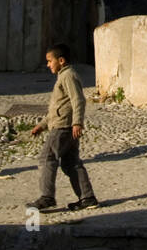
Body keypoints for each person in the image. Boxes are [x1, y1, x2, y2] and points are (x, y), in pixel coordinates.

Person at [28, 44, 98, 211]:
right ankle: (87, 198)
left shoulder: (68, 76)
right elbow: (59, 107)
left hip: (63, 127)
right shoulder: (63, 76)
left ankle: (47, 197)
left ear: (61, 60)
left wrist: (77, 122)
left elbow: (78, 100)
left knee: (47, 158)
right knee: (71, 163)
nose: (48, 65)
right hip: (64, 125)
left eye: (49, 61)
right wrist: (42, 125)